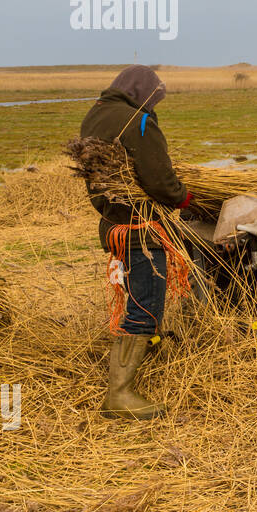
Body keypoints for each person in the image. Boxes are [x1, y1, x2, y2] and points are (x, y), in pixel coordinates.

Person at [79, 65, 195, 419]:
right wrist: (184, 198)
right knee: (145, 304)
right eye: (154, 98)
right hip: (139, 230)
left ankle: (128, 380)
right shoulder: (138, 123)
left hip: (113, 224)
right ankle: (120, 394)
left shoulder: (95, 115)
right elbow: (159, 179)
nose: (154, 105)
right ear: (142, 92)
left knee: (137, 296)